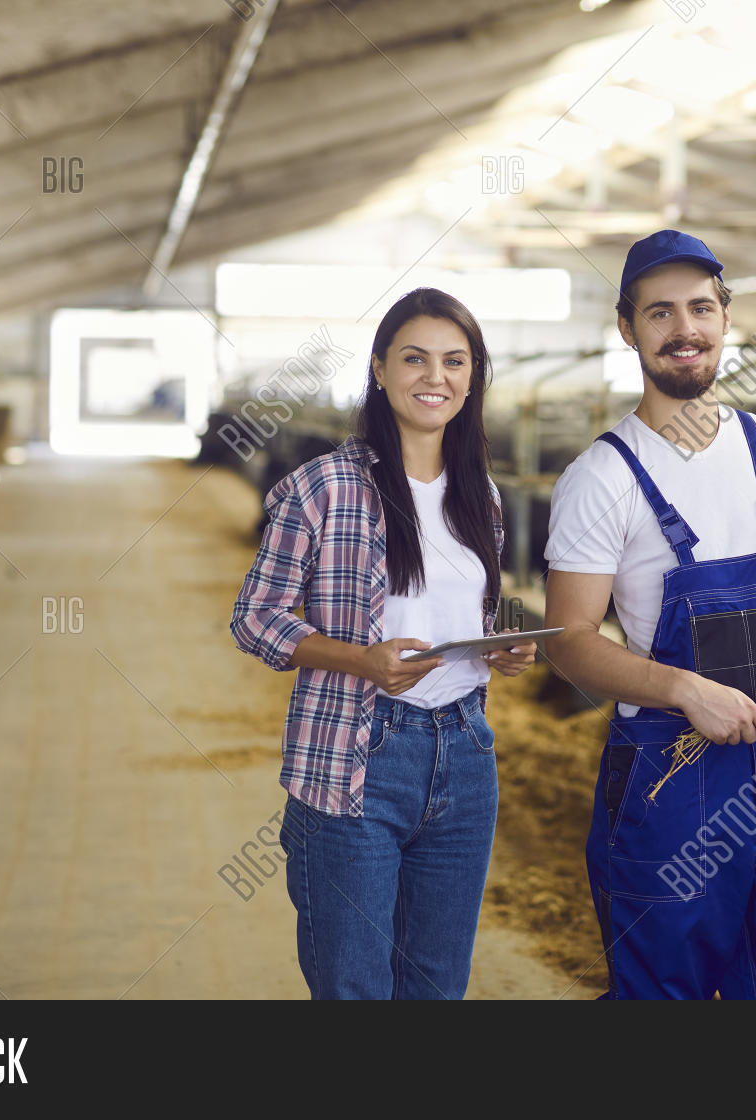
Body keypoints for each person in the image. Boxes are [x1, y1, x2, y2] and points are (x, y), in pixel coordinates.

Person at [543, 230, 756, 999]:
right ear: (627, 328)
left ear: (725, 317)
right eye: (661, 313)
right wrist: (683, 690)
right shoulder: (601, 477)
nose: (686, 329)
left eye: (702, 308)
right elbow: (570, 641)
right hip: (665, 779)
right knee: (662, 991)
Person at [230, 287, 536, 1000]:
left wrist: (499, 647)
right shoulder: (323, 487)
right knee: (355, 988)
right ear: (378, 370)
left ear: (474, 377)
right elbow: (255, 617)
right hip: (354, 756)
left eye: (456, 362)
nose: (437, 377)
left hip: (464, 755)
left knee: (435, 989)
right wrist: (358, 659)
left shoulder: (480, 497)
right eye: (416, 359)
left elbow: (463, 615)